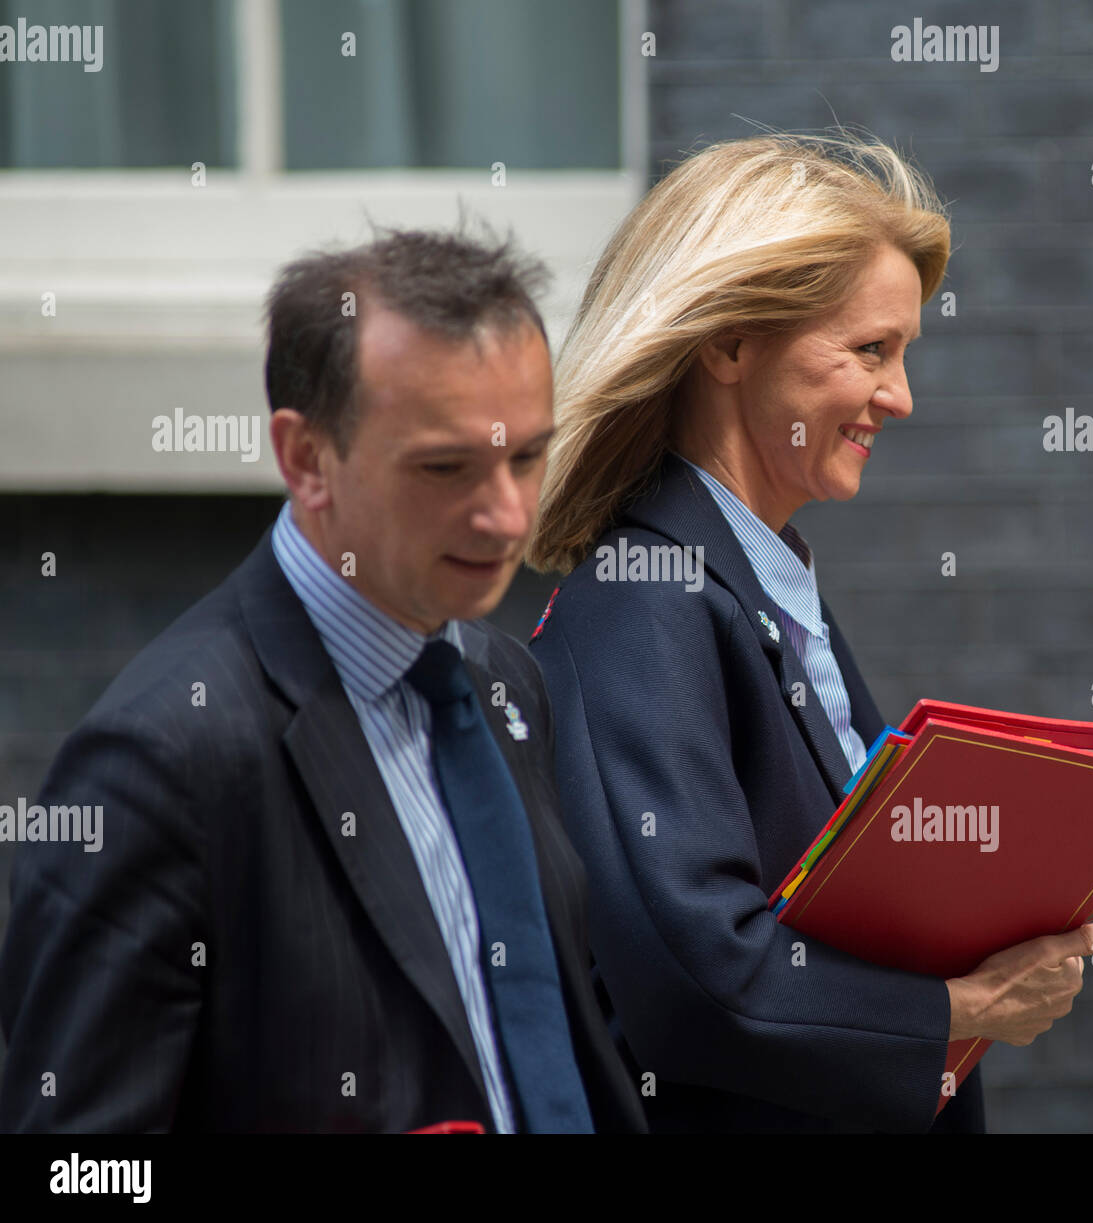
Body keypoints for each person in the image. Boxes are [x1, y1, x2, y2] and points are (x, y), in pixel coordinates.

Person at [525, 133, 1093, 1133]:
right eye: (868, 351)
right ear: (727, 343)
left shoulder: (757, 582)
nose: (899, 397)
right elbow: (694, 977)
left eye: (903, 354)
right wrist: (958, 1010)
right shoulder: (641, 602)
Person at [0, 225, 646, 1134]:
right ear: (306, 459)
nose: (507, 515)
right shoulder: (161, 761)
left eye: (526, 457)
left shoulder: (504, 681)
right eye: (445, 467)